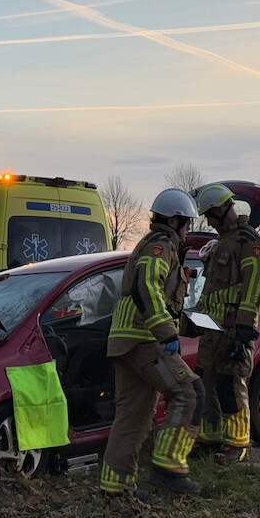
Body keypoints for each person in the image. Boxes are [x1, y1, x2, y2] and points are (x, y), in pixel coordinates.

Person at [99, 188, 205, 497]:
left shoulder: (150, 246)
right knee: (189, 392)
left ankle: (115, 486)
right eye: (186, 224)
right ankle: (168, 469)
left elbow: (157, 299)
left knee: (134, 413)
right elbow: (147, 286)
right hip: (144, 339)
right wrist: (166, 333)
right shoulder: (162, 246)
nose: (188, 231)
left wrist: (186, 326)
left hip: (125, 340)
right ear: (173, 220)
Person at [191, 183, 260, 466]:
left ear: (225, 209)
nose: (209, 220)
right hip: (212, 328)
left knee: (229, 383)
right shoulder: (220, 243)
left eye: (211, 214)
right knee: (206, 380)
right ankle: (210, 438)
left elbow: (255, 284)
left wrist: (245, 326)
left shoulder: (247, 241)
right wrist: (193, 322)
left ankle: (237, 442)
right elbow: (211, 292)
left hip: (234, 327)